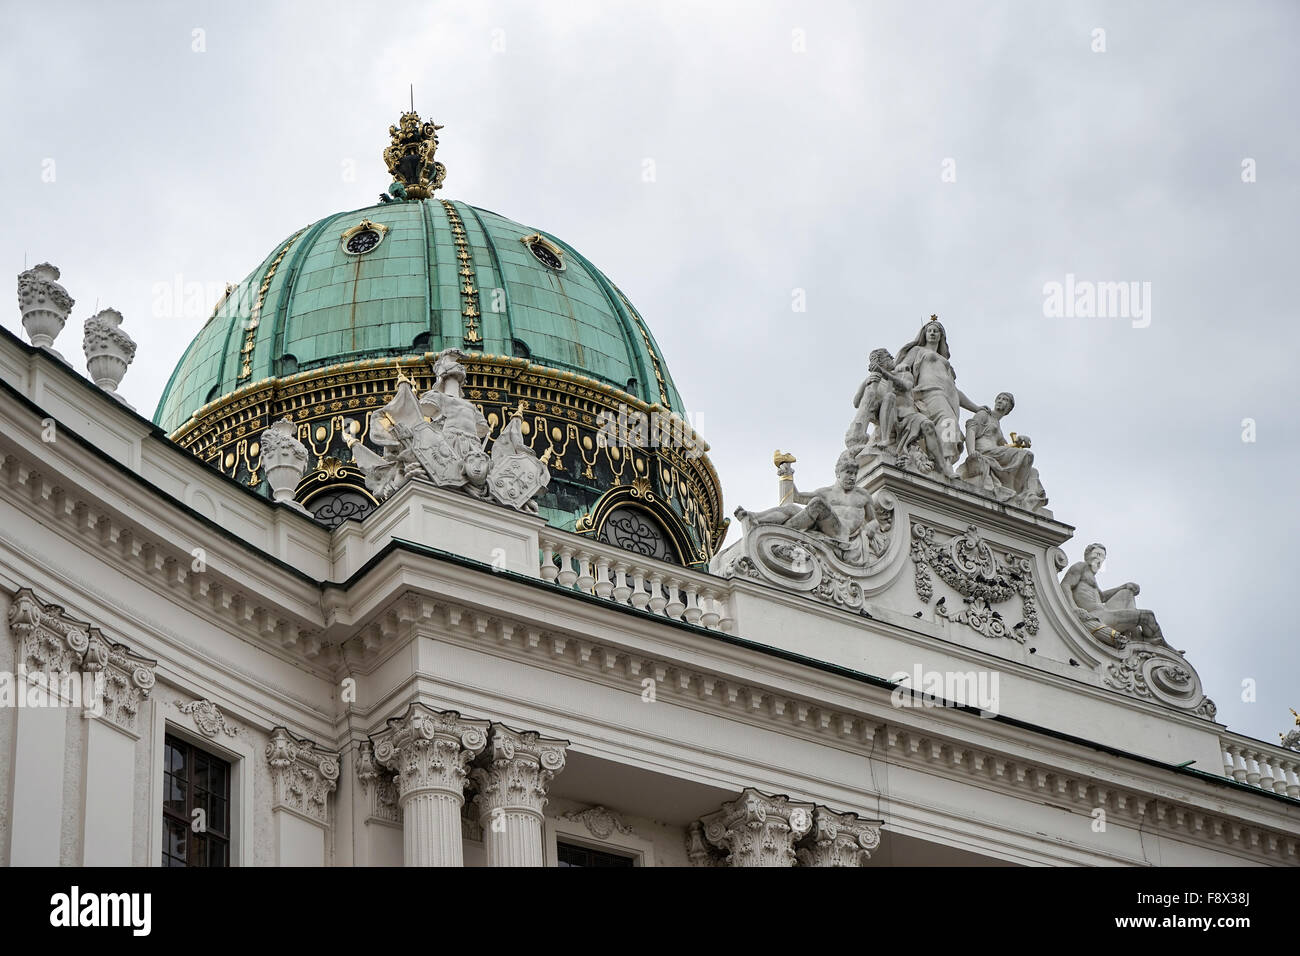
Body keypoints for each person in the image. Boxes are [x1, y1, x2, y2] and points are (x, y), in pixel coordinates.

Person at [735, 452, 885, 564]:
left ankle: (781, 532)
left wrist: (872, 526)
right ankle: (754, 518)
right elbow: (796, 497)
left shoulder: (863, 495)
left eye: (854, 473)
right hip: (823, 525)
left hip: (842, 533)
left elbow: (873, 519)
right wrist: (787, 475)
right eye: (848, 473)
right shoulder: (826, 492)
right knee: (792, 508)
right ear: (838, 474)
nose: (852, 477)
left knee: (817, 504)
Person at [893, 318, 983, 467]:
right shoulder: (918, 350)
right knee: (948, 421)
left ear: (941, 336)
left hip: (949, 397)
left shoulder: (945, 361)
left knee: (950, 424)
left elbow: (955, 390)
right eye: (930, 330)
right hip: (929, 391)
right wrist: (900, 368)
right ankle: (945, 462)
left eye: (936, 331)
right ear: (924, 334)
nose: (933, 333)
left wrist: (976, 408)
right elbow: (903, 365)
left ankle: (945, 462)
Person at [1061, 543, 1168, 648]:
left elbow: (1102, 597)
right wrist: (1074, 608)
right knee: (1148, 616)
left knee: (1126, 592)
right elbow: (1065, 585)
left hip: (1104, 612)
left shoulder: (1091, 577)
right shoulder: (1080, 566)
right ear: (1087, 554)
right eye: (1097, 554)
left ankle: (1136, 635)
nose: (1100, 559)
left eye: (1102, 556)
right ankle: (1160, 646)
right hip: (1095, 616)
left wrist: (1124, 586)